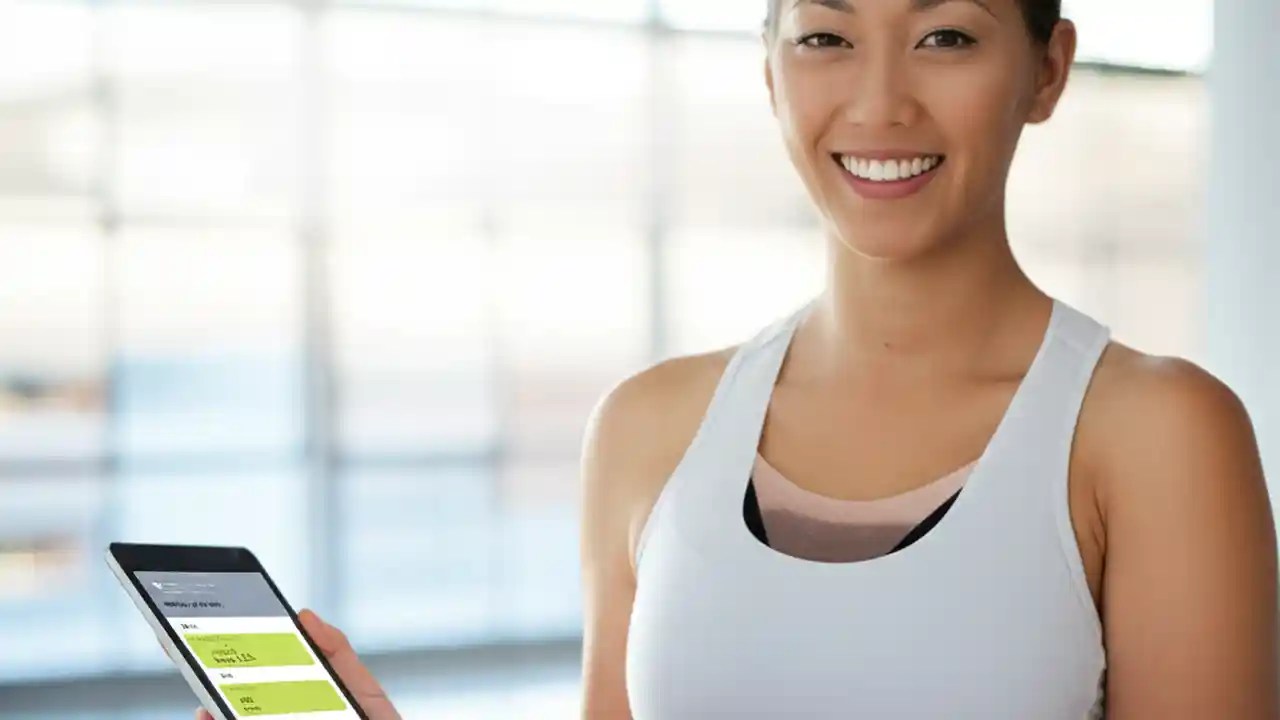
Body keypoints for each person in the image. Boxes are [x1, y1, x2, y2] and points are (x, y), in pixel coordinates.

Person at [201, 0, 1279, 718]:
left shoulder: (1152, 429)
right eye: (824, 37)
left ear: (1044, 71)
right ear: (768, 71)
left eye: (945, 35)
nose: (878, 102)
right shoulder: (648, 426)